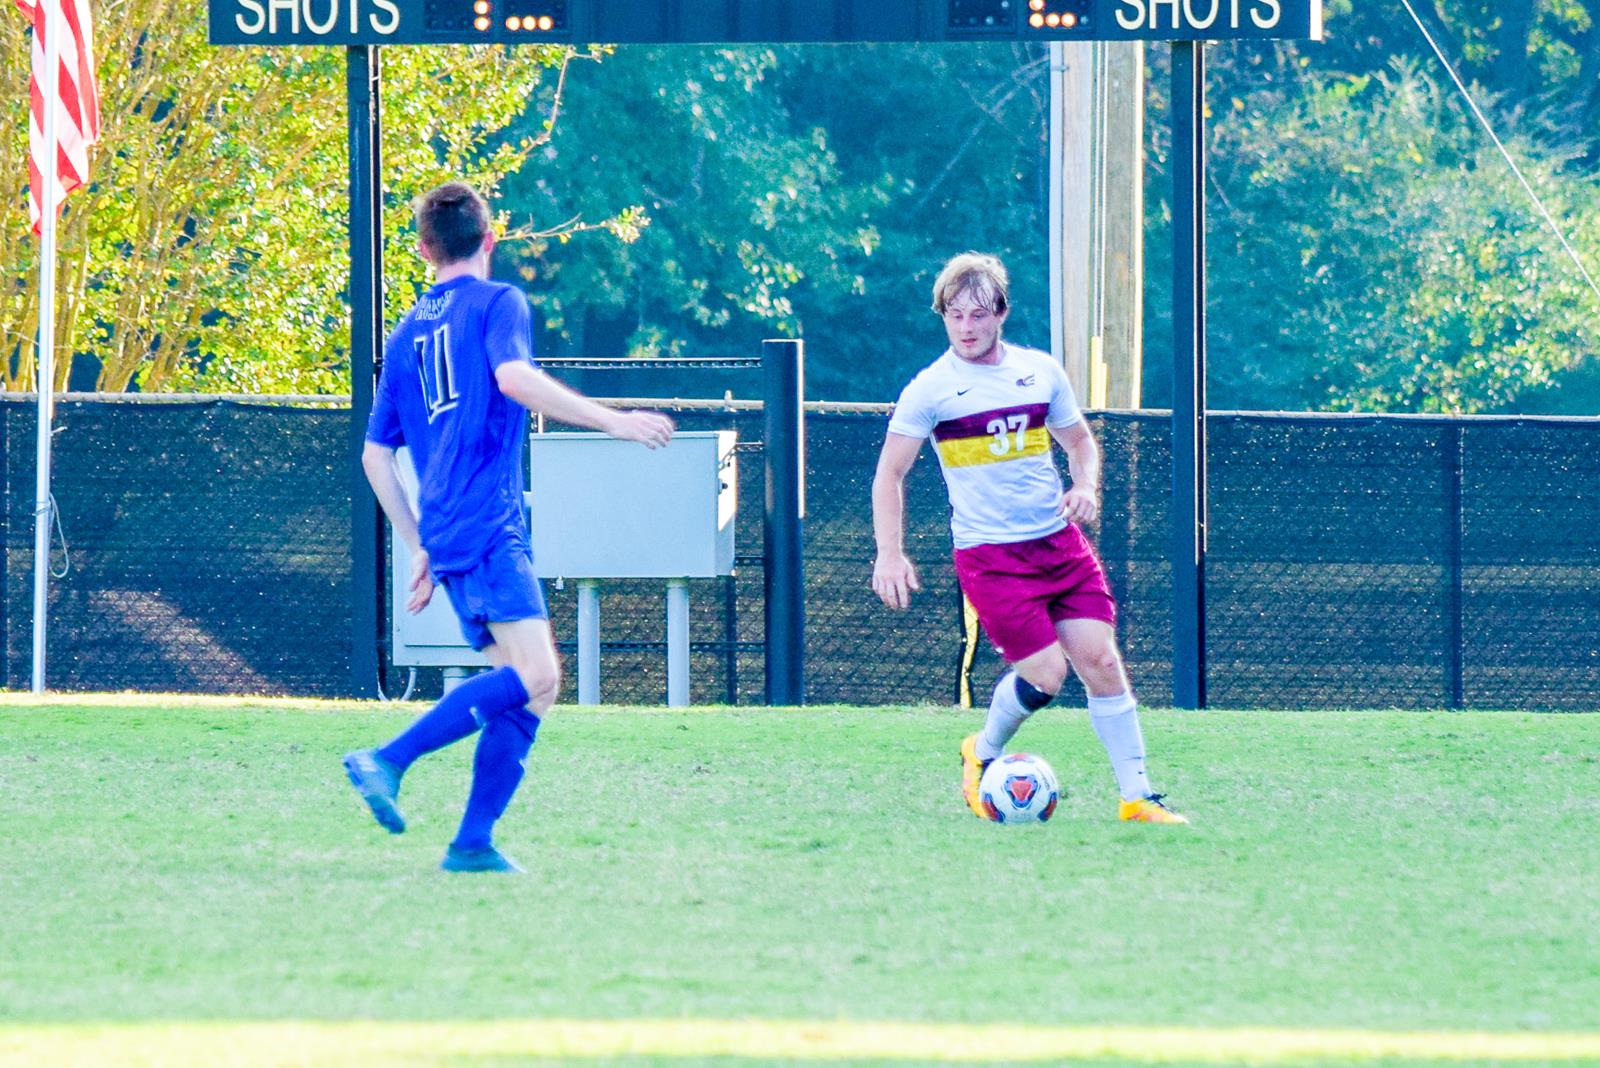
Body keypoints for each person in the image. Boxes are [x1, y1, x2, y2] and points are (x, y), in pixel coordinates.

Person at [342, 181, 675, 872]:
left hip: (449, 527)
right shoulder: (499, 303)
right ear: (490, 240)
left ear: (425, 249)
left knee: (533, 687)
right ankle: (388, 759)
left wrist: (417, 545)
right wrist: (615, 420)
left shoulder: (404, 336)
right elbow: (515, 378)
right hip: (488, 522)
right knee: (539, 671)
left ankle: (472, 843)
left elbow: (376, 456)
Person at [870, 252, 1186, 825]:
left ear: (1001, 314)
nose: (966, 327)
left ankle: (1138, 797)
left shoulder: (1039, 372)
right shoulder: (931, 390)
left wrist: (1084, 486)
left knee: (1102, 662)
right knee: (1046, 675)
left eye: (978, 314)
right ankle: (982, 750)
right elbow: (890, 473)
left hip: (1060, 546)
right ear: (943, 317)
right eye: (955, 315)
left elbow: (1081, 443)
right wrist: (889, 554)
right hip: (991, 559)